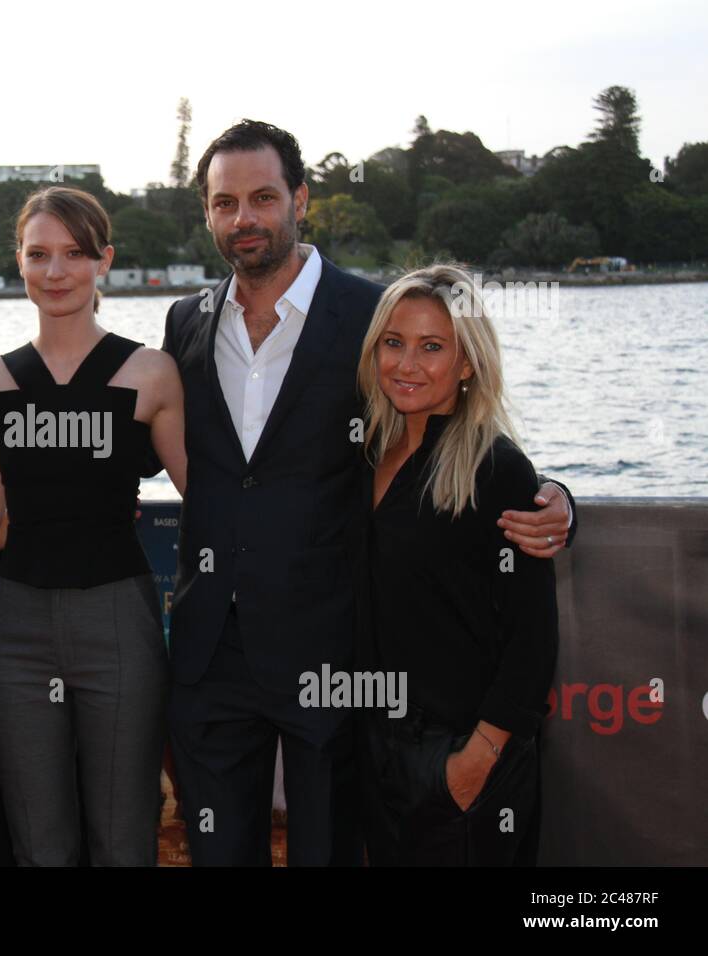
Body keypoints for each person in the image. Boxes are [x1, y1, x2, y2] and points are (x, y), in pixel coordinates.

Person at [152, 120, 576, 866]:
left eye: (262, 197)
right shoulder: (185, 321)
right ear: (209, 213)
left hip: (332, 659)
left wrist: (554, 494)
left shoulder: (375, 318)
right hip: (209, 656)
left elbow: (456, 426)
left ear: (301, 199)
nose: (244, 218)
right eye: (224, 203)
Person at [0, 186, 188, 866]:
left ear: (103, 261)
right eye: (39, 255)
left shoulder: (150, 372)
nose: (56, 272)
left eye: (75, 254)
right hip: (15, 626)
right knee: (40, 842)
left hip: (118, 617)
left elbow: (210, 497)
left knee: (123, 835)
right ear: (19, 263)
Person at [357, 264, 559, 864]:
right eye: (393, 343)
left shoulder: (495, 469)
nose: (407, 364)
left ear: (468, 363)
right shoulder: (365, 451)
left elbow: (534, 638)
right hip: (376, 747)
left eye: (432, 347)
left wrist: (475, 761)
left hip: (464, 756)